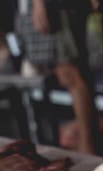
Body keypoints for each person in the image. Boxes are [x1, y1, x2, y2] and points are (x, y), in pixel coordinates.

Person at [16, 0, 96, 154]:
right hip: (54, 7)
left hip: (56, 6)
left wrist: (39, 3)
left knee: (70, 74)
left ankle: (88, 146)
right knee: (70, 74)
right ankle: (87, 141)